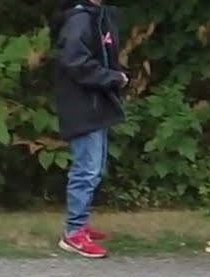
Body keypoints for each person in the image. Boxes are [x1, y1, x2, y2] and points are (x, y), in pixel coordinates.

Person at [48, 0, 129, 259]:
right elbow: (75, 61)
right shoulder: (80, 20)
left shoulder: (99, 16)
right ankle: (73, 233)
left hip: (96, 106)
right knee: (86, 169)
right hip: (83, 107)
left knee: (95, 168)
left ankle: (81, 224)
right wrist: (112, 78)